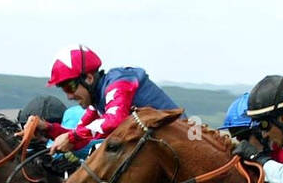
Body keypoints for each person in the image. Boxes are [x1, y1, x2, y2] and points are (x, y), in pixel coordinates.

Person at [42, 46, 180, 154]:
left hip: (179, 144)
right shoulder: (96, 102)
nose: (69, 96)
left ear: (89, 79)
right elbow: (79, 139)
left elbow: (115, 120)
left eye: (70, 87)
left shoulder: (118, 83)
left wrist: (72, 137)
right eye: (64, 89)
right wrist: (47, 129)